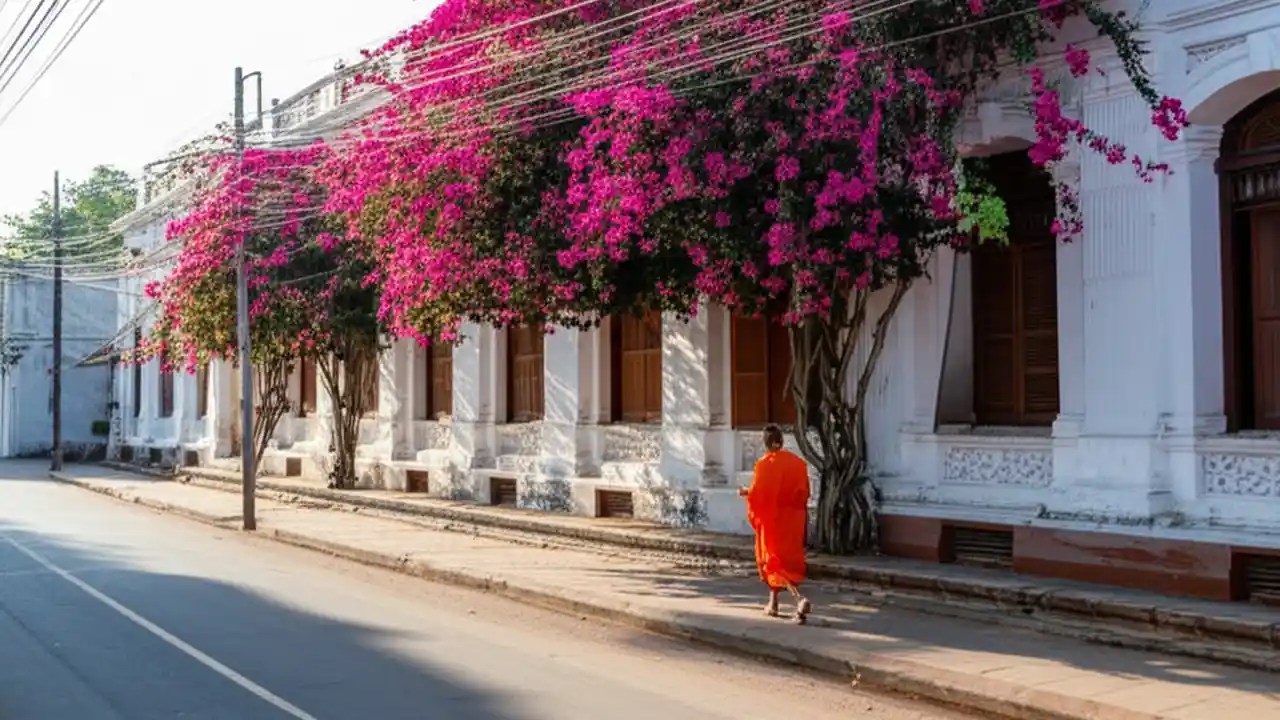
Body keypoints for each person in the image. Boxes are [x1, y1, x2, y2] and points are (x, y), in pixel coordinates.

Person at [739, 424, 812, 624]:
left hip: (772, 524)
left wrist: (746, 492)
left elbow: (759, 493)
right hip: (792, 524)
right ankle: (773, 603)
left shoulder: (764, 465)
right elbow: (803, 493)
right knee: (785, 562)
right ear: (781, 440)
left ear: (766, 443)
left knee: (774, 562)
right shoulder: (798, 464)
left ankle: (799, 600)